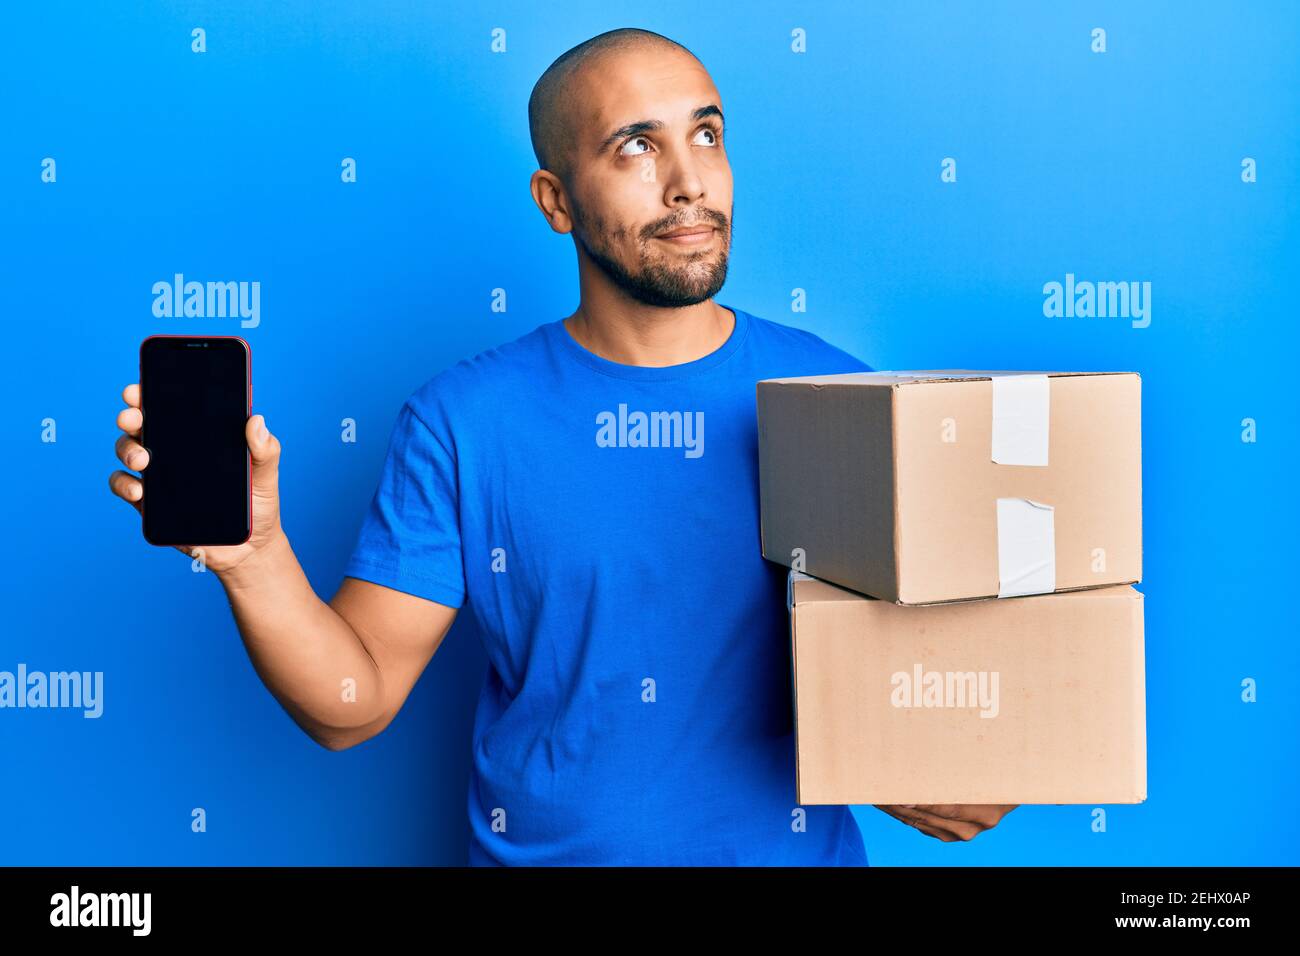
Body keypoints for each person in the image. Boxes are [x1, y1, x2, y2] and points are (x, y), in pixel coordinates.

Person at [109, 27, 1014, 865]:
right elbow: (354, 705)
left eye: (706, 136)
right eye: (636, 147)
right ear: (555, 201)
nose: (689, 182)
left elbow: (938, 683)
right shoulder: (462, 422)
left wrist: (966, 758)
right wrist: (255, 559)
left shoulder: (839, 398)